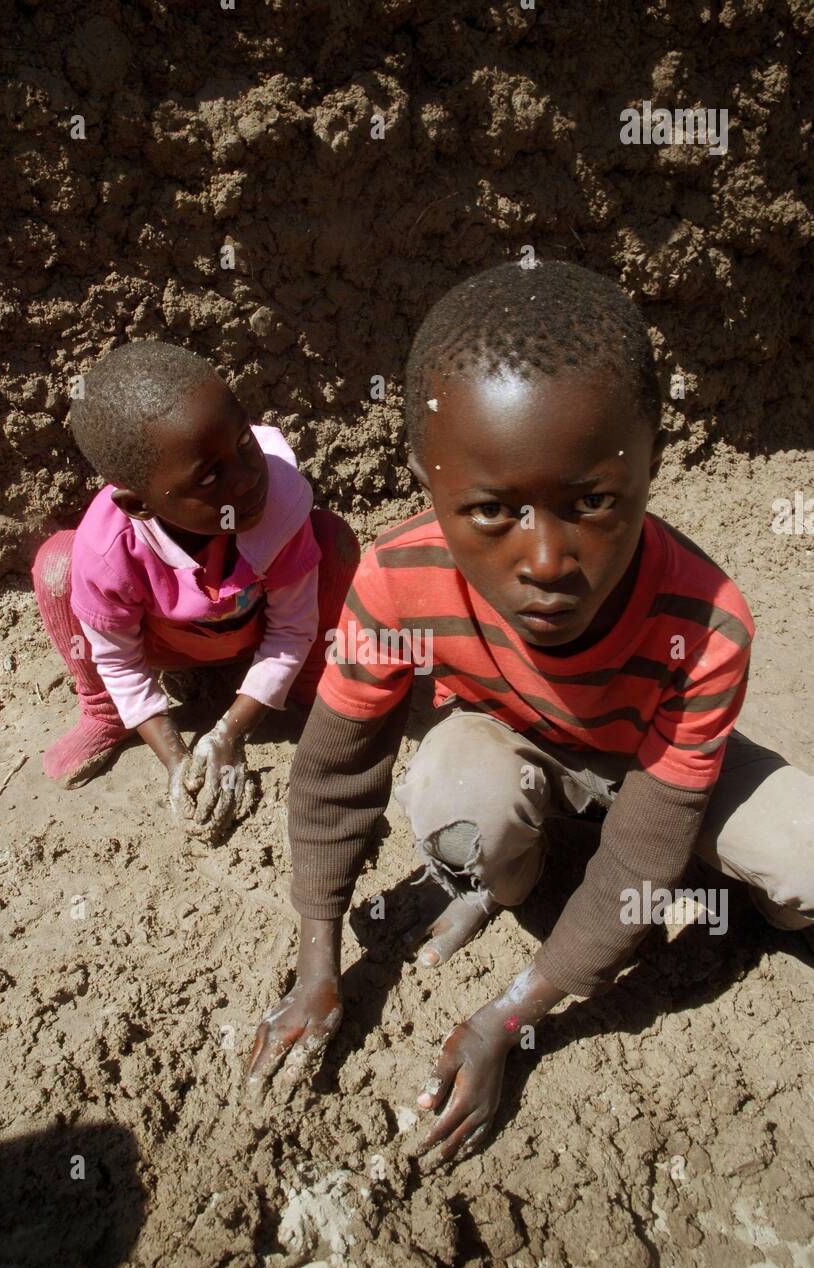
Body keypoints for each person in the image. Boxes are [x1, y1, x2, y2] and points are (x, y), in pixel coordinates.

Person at [247, 259, 814, 1165]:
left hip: (648, 759)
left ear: (654, 461)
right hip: (511, 740)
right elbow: (335, 771)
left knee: (806, 861)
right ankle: (508, 878)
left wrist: (509, 1017)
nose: (548, 559)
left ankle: (738, 906)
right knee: (459, 799)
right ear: (429, 484)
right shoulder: (397, 584)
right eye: (490, 510)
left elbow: (644, 849)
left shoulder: (703, 625)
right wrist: (319, 964)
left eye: (593, 502)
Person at [32, 340, 358, 838]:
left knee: (332, 539)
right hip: (165, 645)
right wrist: (175, 756)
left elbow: (293, 630)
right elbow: (118, 660)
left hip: (253, 634)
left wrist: (230, 731)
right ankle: (104, 712)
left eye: (244, 442)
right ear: (139, 505)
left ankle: (308, 682)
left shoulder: (278, 501)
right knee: (58, 565)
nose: (247, 480)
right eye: (209, 477)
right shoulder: (111, 550)